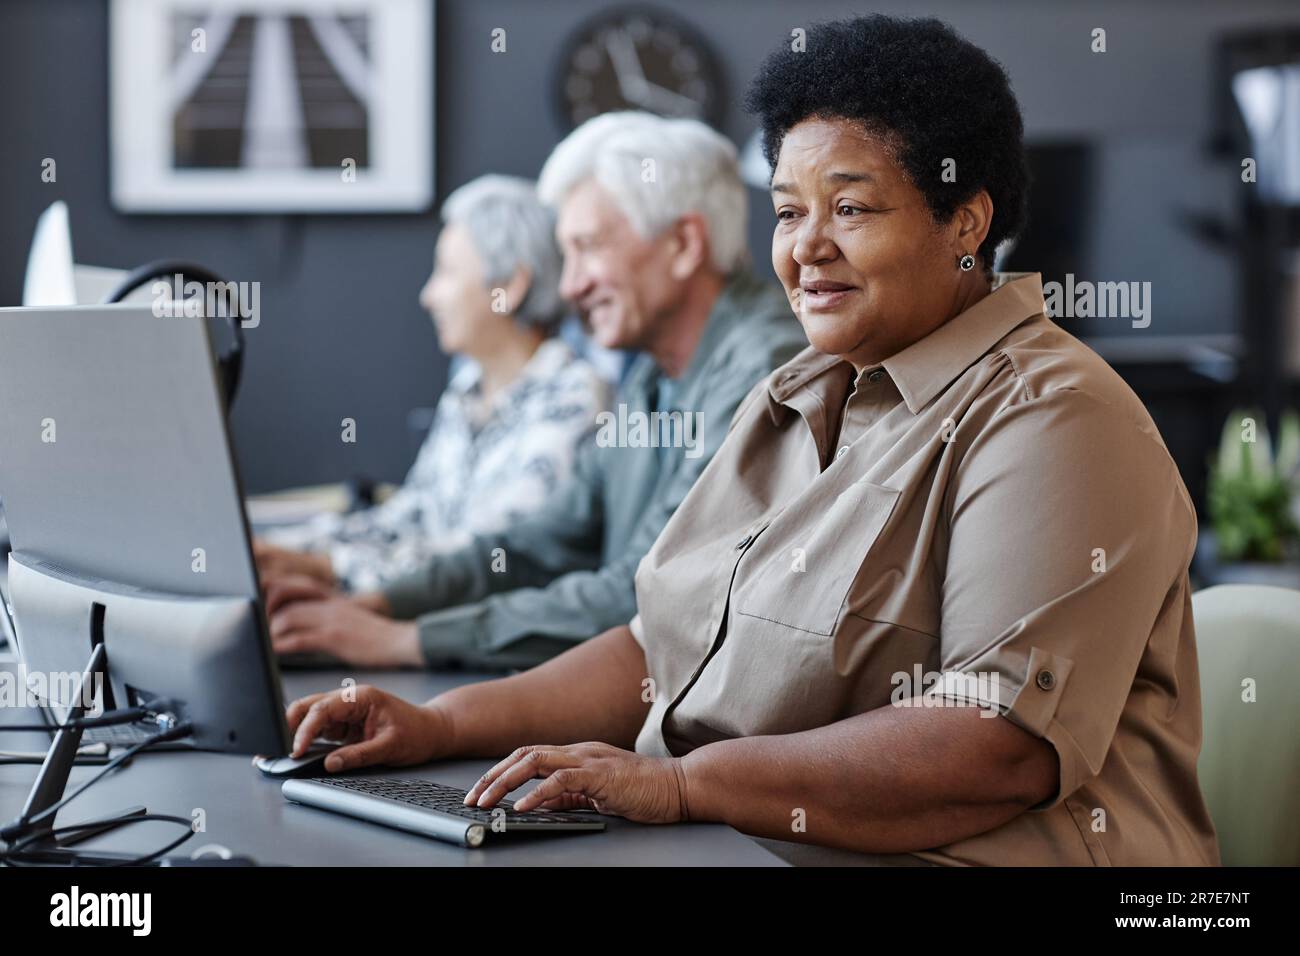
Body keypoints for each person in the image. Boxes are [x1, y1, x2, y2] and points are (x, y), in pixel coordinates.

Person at [263, 112, 807, 670]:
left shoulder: (762, 367)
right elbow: (541, 540)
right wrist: (375, 606)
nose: (569, 286)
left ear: (684, 243)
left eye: (588, 247)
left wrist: (408, 640)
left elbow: (647, 592)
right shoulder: (653, 371)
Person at [255, 176, 609, 596]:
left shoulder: (575, 399)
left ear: (509, 286)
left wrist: (325, 567)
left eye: (446, 272)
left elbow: (483, 562)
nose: (428, 295)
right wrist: (281, 547)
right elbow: (410, 517)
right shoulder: (468, 390)